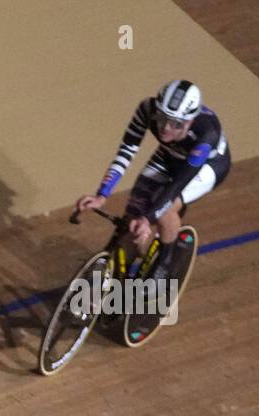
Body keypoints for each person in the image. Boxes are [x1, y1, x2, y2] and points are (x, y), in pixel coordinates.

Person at [74, 80, 231, 281]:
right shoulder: (147, 109)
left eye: (176, 123)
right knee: (132, 218)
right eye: (163, 118)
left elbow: (179, 183)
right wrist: (102, 194)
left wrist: (149, 218)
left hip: (206, 166)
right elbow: (125, 153)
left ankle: (164, 265)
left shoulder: (207, 133)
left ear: (190, 122)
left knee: (165, 211)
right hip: (169, 155)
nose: (165, 127)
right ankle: (119, 279)